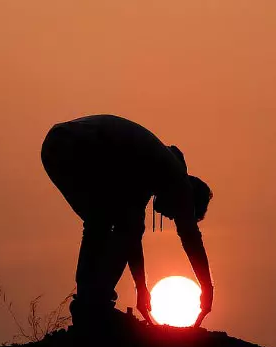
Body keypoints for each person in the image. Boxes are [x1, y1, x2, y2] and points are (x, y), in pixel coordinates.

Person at [40, 114, 214, 329]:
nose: (170, 217)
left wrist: (141, 288)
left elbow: (131, 236)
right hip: (80, 146)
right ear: (187, 199)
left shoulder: (142, 174)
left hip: (55, 145)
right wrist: (207, 288)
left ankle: (89, 303)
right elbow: (190, 237)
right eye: (178, 212)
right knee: (103, 221)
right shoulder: (175, 176)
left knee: (98, 222)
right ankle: (95, 304)